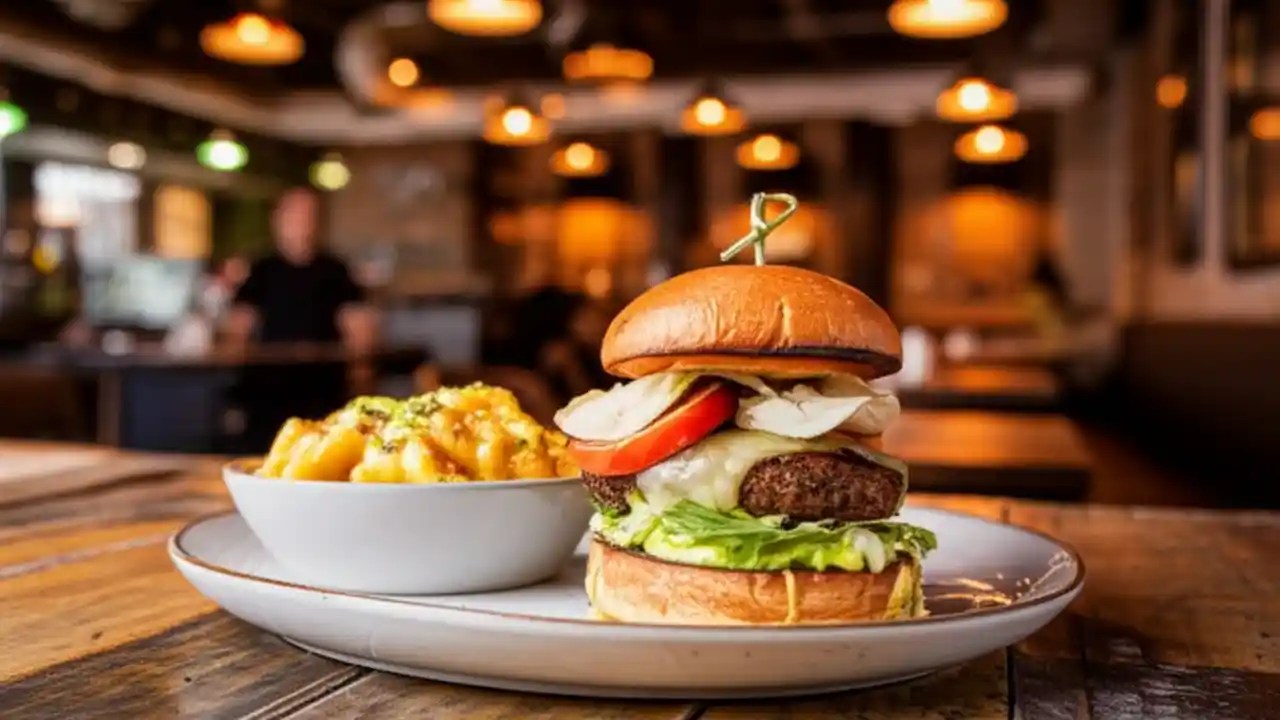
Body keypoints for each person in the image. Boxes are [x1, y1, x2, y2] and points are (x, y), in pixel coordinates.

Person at [225, 187, 378, 450]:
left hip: (323, 386)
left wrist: (361, 375)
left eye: (310, 215)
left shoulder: (336, 270)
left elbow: (358, 326)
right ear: (278, 219)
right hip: (269, 388)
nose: (304, 222)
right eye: (296, 214)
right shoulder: (261, 270)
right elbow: (239, 328)